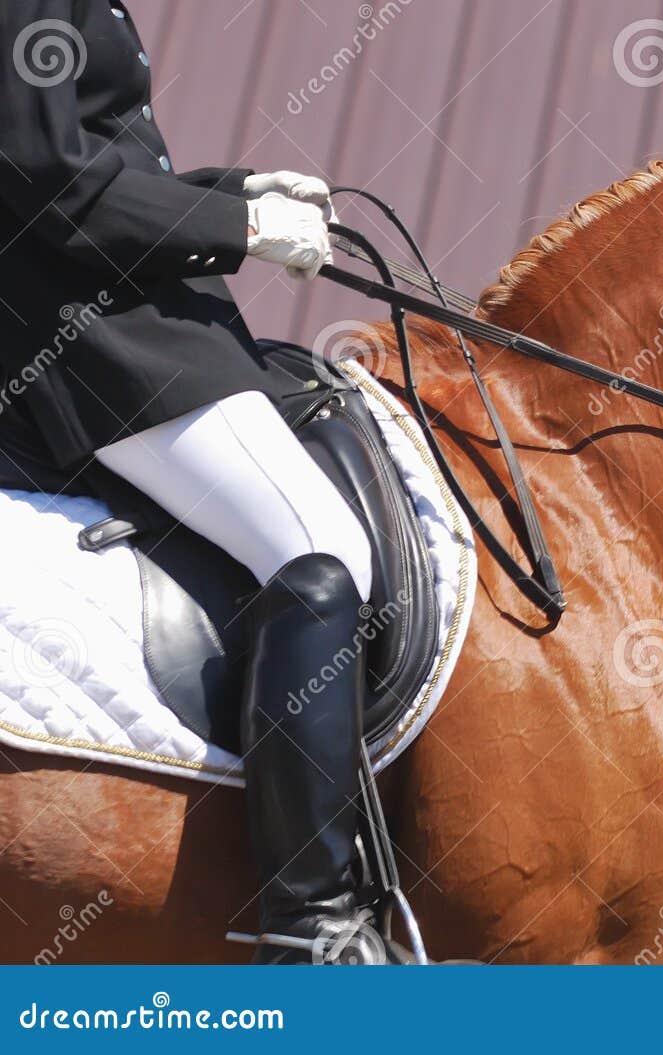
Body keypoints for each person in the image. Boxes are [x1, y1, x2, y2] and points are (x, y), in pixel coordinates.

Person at [0, 2, 393, 963]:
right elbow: (43, 183)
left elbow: (97, 162)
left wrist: (233, 188)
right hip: (104, 350)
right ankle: (313, 927)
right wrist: (240, 223)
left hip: (119, 324)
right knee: (319, 552)